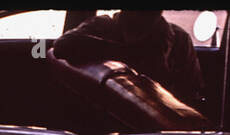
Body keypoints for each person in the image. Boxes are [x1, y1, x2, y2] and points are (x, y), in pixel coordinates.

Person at [53, 10, 205, 111]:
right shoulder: (102, 26)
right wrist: (130, 54)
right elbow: (62, 46)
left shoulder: (179, 39)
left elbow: (191, 93)